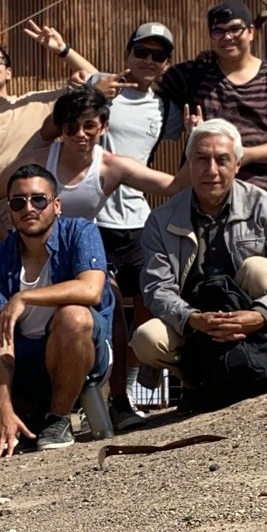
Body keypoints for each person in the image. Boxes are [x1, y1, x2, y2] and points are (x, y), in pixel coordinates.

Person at [0, 164, 114, 457]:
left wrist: (25, 297)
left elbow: (91, 289)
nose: (28, 208)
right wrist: (3, 406)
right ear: (10, 209)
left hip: (81, 352)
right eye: (18, 202)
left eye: (38, 199)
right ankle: (26, 416)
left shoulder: (81, 232)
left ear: (56, 205)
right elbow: (0, 339)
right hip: (25, 356)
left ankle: (58, 419)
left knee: (73, 315)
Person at [130, 120, 267, 387]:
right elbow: (157, 289)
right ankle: (197, 383)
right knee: (147, 339)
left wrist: (260, 315)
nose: (211, 170)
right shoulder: (160, 220)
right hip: (195, 322)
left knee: (259, 270)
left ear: (237, 164)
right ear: (189, 162)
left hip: (252, 317)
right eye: (202, 159)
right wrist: (192, 318)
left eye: (222, 160)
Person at [70, 22, 183, 422]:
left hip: (138, 218)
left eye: (158, 55)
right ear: (127, 54)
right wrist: (63, 49)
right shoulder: (105, 91)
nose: (148, 61)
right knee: (111, 307)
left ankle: (140, 372)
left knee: (154, 300)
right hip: (95, 217)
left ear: (166, 63)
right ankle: (115, 401)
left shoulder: (165, 108)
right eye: (141, 52)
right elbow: (85, 83)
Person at [0, 24, 93, 257]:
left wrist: (63, 50)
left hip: (39, 223)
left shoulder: (39, 103)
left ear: (9, 72)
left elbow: (97, 83)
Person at [156, 0, 267, 205]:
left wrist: (245, 155)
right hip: (207, 195)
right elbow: (146, 82)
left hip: (263, 196)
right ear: (211, 38)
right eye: (218, 31)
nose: (227, 37)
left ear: (251, 32)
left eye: (235, 29)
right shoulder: (194, 74)